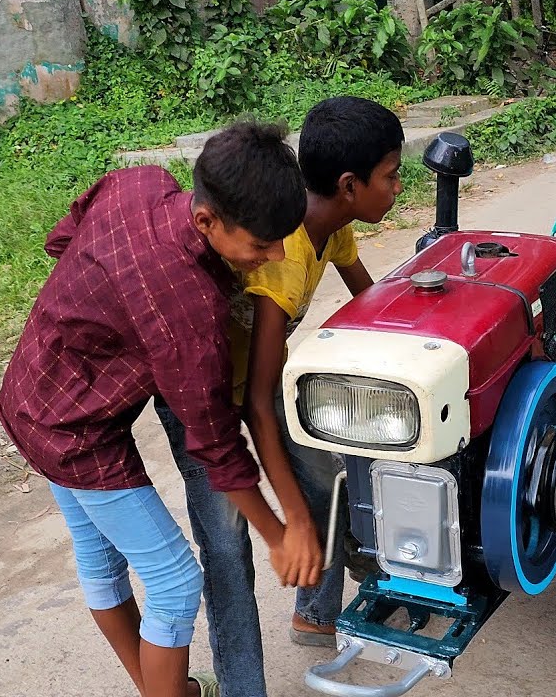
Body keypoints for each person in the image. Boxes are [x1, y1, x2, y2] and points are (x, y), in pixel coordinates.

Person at [0, 123, 321, 697]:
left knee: (99, 563)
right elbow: (217, 447)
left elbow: (64, 235)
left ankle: (164, 689)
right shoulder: (191, 311)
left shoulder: (138, 184)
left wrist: (107, 320)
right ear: (206, 222)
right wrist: (278, 536)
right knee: (174, 581)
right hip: (77, 434)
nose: (270, 258)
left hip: (29, 393)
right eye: (259, 246)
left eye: (280, 243)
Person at [154, 96, 405, 697]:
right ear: (350, 186)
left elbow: (370, 303)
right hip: (205, 400)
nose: (399, 188)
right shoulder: (282, 263)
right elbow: (256, 403)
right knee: (228, 545)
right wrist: (287, 522)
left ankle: (315, 612)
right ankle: (245, 688)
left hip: (264, 385)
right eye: (392, 176)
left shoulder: (332, 227)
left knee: (326, 478)